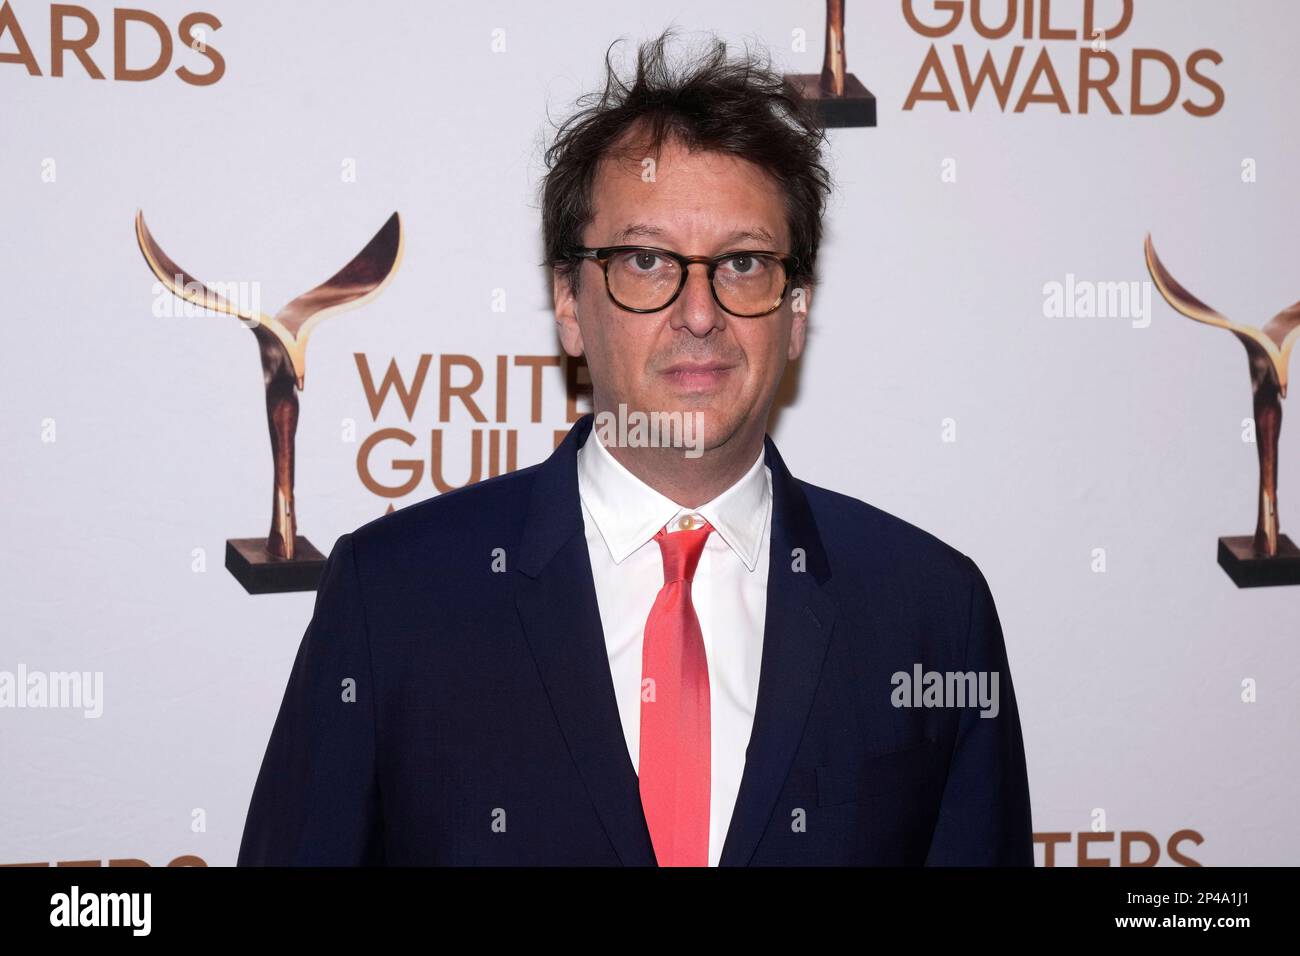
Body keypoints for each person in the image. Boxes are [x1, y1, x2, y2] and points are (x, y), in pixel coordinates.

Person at [237, 29, 1032, 867]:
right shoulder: (395, 599)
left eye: (746, 263)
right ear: (569, 304)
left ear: (796, 310)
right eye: (647, 260)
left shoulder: (930, 613)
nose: (700, 311)